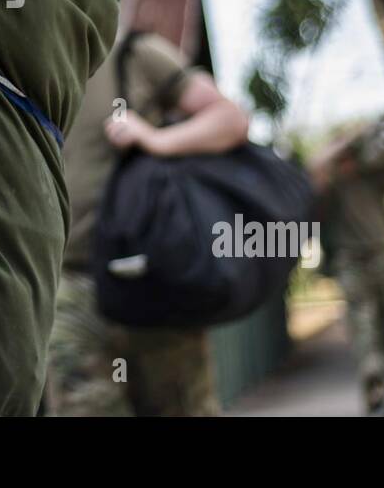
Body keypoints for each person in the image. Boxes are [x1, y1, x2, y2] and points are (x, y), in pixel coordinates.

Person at [47, 29, 250, 416]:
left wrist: (156, 140)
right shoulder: (16, 61)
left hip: (149, 276)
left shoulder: (133, 52)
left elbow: (230, 119)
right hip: (70, 282)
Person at [310, 120, 384, 412]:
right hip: (349, 260)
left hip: (382, 257)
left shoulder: (373, 178)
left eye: (351, 155)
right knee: (362, 318)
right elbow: (314, 167)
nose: (348, 161)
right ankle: (372, 375)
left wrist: (364, 138)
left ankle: (382, 374)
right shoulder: (329, 187)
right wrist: (340, 142)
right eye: (343, 157)